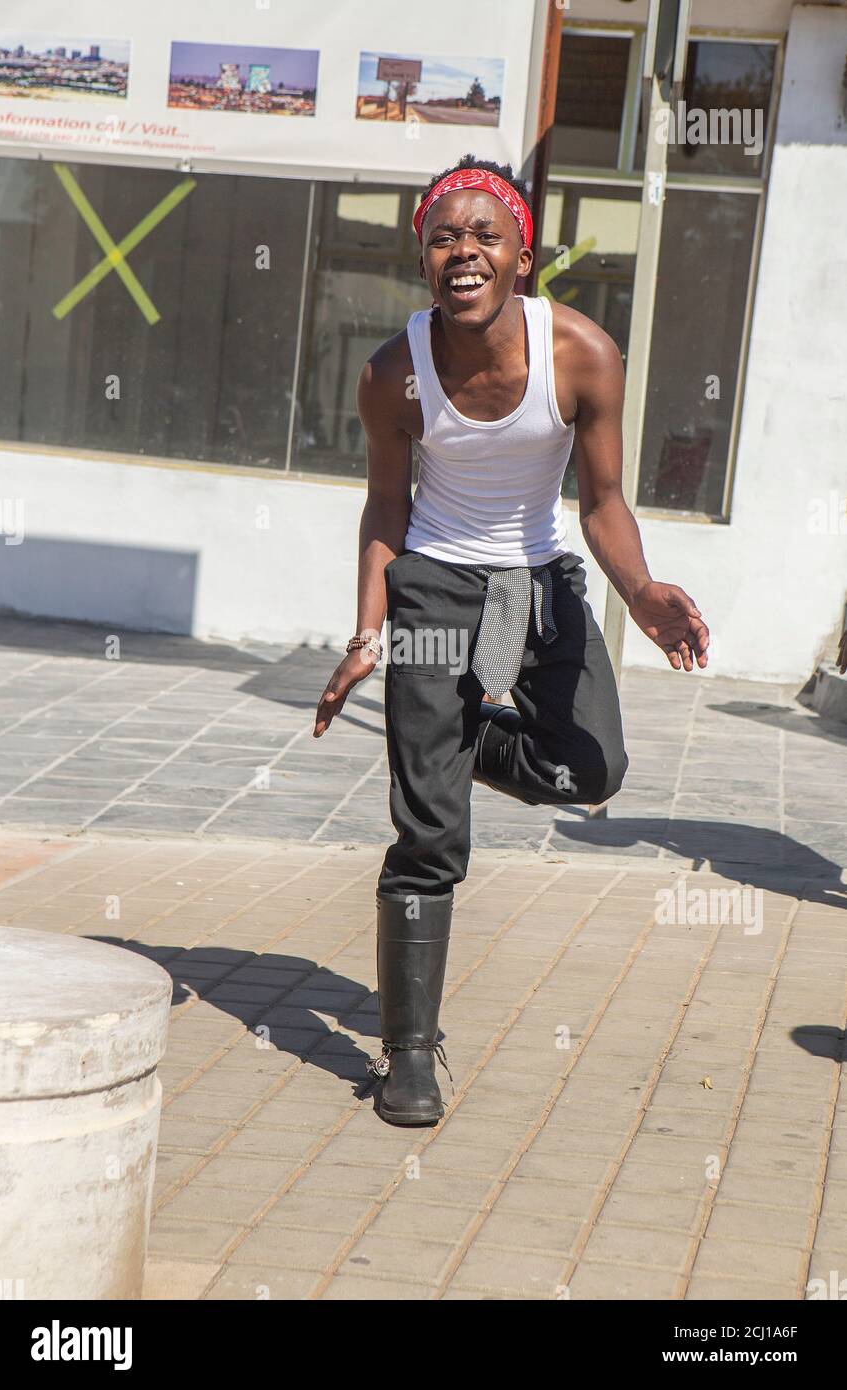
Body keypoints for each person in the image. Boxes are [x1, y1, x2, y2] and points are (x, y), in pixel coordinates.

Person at [314, 155, 710, 1126]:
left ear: (520, 257)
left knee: (592, 767)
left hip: (538, 582)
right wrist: (368, 629)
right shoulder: (391, 374)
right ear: (422, 258)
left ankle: (450, 745)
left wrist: (643, 588)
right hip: (435, 585)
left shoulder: (581, 356)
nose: (462, 250)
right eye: (443, 236)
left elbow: (603, 501)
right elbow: (384, 506)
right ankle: (406, 1056)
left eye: (482, 235)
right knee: (427, 833)